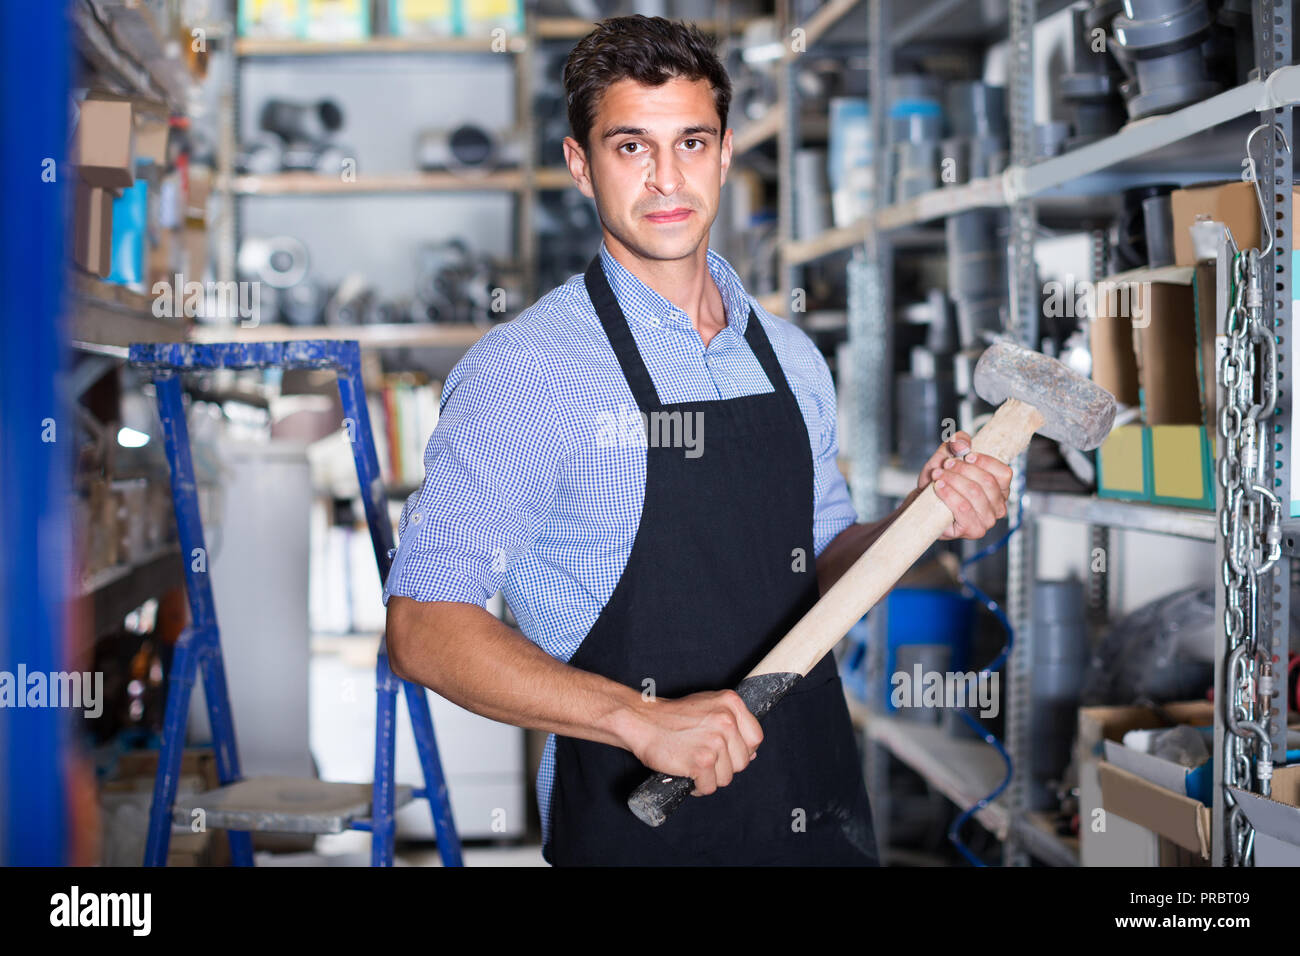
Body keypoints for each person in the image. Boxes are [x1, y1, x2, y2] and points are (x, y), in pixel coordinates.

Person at [384, 14, 1012, 866]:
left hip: (812, 808)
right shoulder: (525, 371)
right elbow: (424, 625)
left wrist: (920, 516)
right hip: (641, 824)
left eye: (691, 141)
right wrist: (635, 717)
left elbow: (824, 554)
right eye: (631, 147)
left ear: (723, 154)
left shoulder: (790, 357)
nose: (667, 178)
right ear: (581, 165)